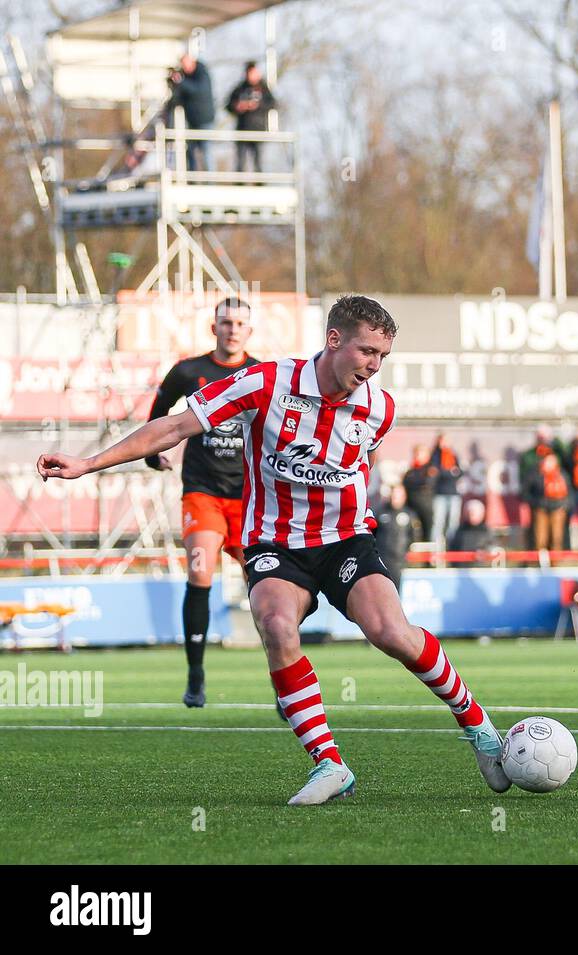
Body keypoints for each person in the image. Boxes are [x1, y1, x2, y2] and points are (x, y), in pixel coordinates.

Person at [38, 295, 511, 804]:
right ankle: (329, 765)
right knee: (277, 623)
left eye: (383, 357)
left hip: (345, 538)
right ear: (334, 340)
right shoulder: (265, 383)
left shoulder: (379, 408)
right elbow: (175, 426)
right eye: (367, 351)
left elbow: (361, 462)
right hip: (275, 541)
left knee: (391, 632)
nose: (374, 366)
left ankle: (480, 729)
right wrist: (89, 464)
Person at [145, 296, 259, 708]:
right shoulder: (189, 371)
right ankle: (196, 676)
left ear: (249, 330)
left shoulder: (260, 373)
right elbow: (159, 410)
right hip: (203, 491)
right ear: (214, 328)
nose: (232, 329)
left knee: (266, 588)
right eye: (225, 322)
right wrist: (149, 451)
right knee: (200, 574)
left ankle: (284, 682)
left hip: (249, 497)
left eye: (240, 323)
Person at [226, 61, 277, 173]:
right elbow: (228, 105)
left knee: (258, 162)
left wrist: (257, 106)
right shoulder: (240, 89)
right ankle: (239, 185)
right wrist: (238, 106)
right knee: (240, 162)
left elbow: (273, 103)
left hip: (258, 130)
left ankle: (260, 185)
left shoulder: (263, 88)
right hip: (242, 130)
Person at [168, 54, 215, 172]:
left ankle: (210, 181)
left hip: (204, 120)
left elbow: (197, 90)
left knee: (206, 151)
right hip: (191, 120)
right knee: (190, 151)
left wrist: (181, 81)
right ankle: (192, 179)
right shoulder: (186, 78)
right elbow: (177, 100)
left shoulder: (202, 74)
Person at [372, 484, 416, 592]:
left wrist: (405, 553)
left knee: (395, 594)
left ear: (404, 497)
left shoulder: (409, 514)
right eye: (394, 495)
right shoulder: (381, 512)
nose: (395, 498)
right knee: (379, 593)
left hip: (398, 562)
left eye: (398, 496)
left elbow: (414, 536)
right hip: (381, 561)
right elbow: (373, 533)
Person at [526, 453, 569, 551]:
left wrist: (565, 505)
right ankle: (540, 562)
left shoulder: (561, 474)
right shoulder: (536, 474)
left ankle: (554, 564)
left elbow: (568, 491)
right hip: (541, 509)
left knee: (556, 538)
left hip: (558, 508)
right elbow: (527, 491)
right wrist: (535, 503)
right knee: (541, 539)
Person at [430, 433, 463, 548]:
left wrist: (449, 472)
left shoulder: (453, 454)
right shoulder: (435, 455)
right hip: (440, 494)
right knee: (438, 522)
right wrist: (450, 472)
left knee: (453, 523)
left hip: (454, 494)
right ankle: (435, 549)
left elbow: (460, 472)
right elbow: (437, 473)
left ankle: (452, 546)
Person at [401, 445, 435, 542]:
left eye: (419, 454)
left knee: (427, 531)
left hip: (425, 506)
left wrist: (414, 482)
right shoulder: (411, 471)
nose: (417, 456)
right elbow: (406, 482)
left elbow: (426, 483)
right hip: (411, 505)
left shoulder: (430, 469)